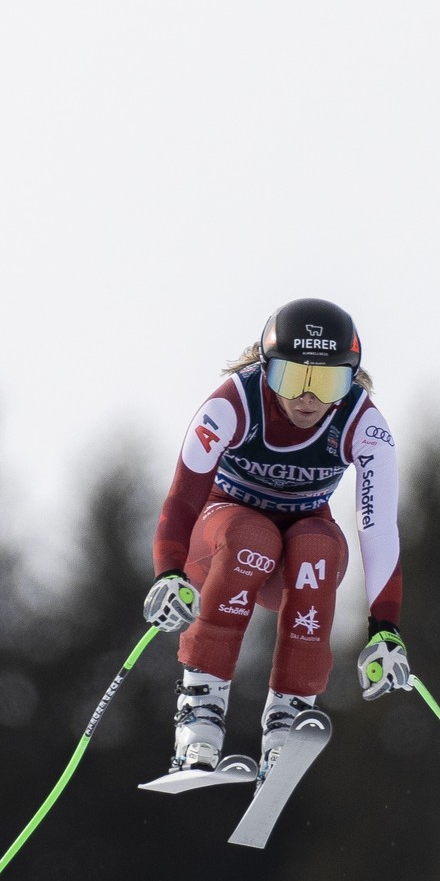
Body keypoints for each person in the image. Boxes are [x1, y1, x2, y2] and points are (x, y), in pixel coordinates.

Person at [141, 298, 409, 781]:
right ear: (266, 371)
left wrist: (384, 628)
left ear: (351, 379)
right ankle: (199, 715)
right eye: (292, 378)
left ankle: (289, 720)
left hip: (293, 558)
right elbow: (182, 499)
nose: (308, 399)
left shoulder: (362, 424)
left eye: (326, 382)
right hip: (222, 544)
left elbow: (378, 526)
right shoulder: (232, 404)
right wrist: (169, 573)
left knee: (318, 549)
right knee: (253, 538)